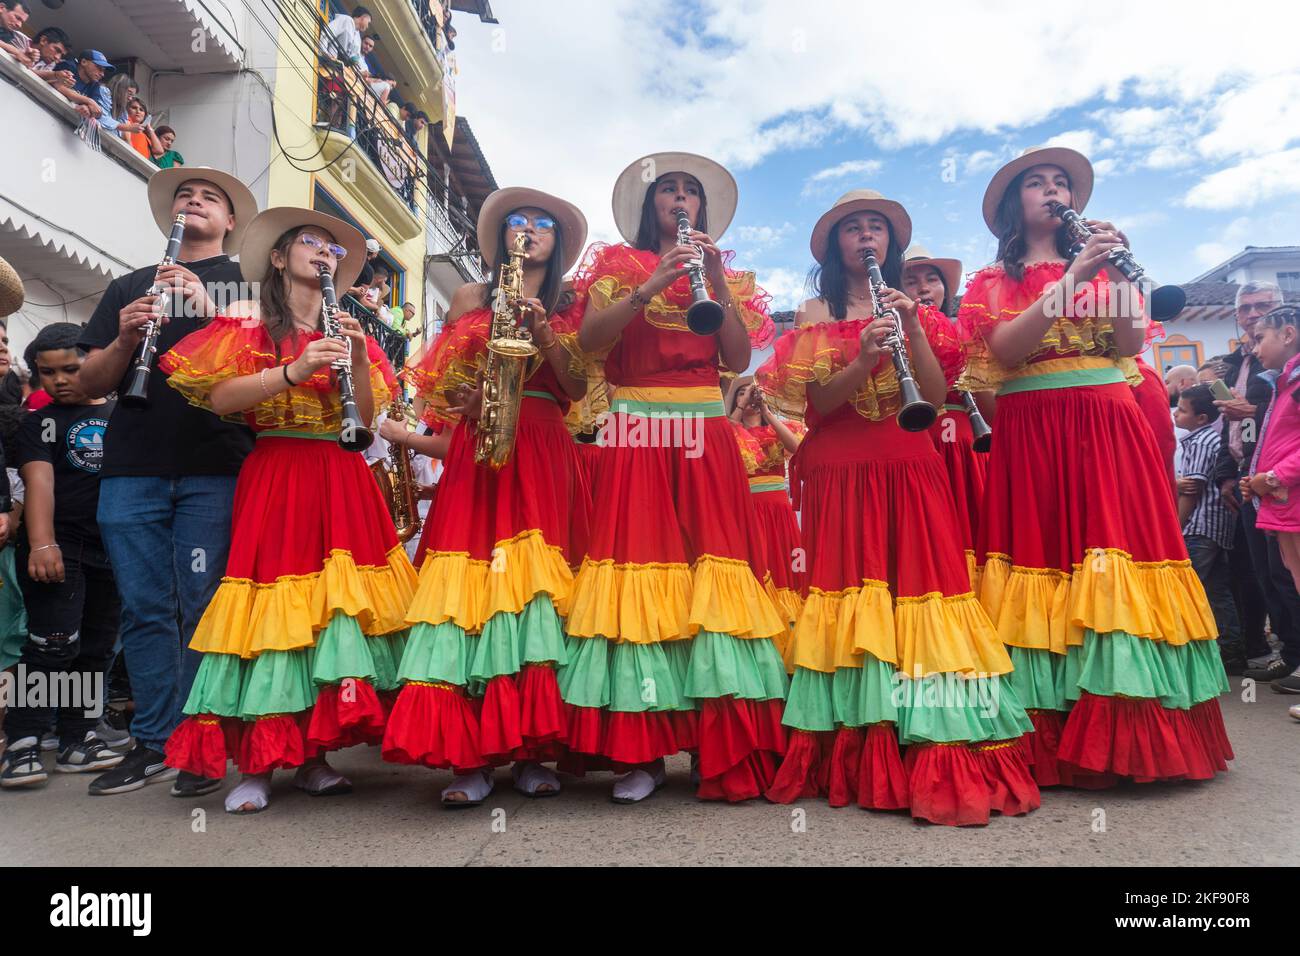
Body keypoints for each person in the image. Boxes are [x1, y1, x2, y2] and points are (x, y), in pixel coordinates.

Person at [760, 190, 1037, 825]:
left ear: (892, 243)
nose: (866, 236)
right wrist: (862, 358)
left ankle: (934, 743)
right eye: (853, 228)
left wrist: (910, 328)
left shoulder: (922, 315)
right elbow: (816, 407)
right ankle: (858, 748)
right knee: (850, 595)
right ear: (836, 245)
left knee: (925, 590)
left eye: (876, 228)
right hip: (839, 467)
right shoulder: (812, 313)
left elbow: (937, 398)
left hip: (911, 464)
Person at [958, 146, 1230, 787]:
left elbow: (1131, 344)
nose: (1052, 191)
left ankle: (1133, 729)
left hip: (1106, 420)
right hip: (1032, 427)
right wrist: (1074, 278)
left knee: (1114, 553)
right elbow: (1005, 349)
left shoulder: (1107, 271)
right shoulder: (990, 283)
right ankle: (1048, 730)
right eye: (1037, 183)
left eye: (1061, 182)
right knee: (1041, 557)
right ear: (1011, 207)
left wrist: (1124, 278)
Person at [159, 206, 417, 814]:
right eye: (311, 242)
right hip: (277, 469)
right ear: (279, 258)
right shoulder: (247, 325)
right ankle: (258, 763)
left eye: (332, 247)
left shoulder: (352, 328)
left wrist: (353, 355)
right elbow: (221, 398)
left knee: (333, 613)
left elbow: (375, 410)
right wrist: (293, 370)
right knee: (271, 614)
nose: (324, 252)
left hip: (342, 473)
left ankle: (312, 758)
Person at [563, 151, 786, 804]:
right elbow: (589, 344)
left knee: (712, 575)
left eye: (691, 190)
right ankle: (643, 750)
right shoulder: (616, 267)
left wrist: (713, 275)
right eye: (669, 189)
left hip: (703, 428)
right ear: (649, 204)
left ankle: (723, 748)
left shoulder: (722, 274)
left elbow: (740, 356)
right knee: (641, 571)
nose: (681, 197)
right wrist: (650, 286)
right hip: (636, 423)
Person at [382, 188, 592, 804]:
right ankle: (466, 758)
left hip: (545, 441)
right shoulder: (471, 298)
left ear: (558, 241)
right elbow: (440, 384)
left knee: (536, 589)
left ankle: (533, 749)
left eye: (542, 222)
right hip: (479, 443)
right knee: (468, 586)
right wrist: (464, 402)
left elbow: (578, 386)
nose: (528, 229)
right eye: (517, 222)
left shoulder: (573, 303)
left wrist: (545, 332)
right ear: (501, 238)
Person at [76, 167, 258, 798]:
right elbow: (90, 382)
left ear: (231, 221)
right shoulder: (130, 285)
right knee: (145, 608)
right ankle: (155, 741)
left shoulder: (251, 284)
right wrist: (126, 336)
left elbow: (267, 365)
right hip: (132, 465)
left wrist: (209, 312)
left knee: (204, 606)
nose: (195, 201)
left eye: (211, 197)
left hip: (216, 461)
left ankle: (202, 745)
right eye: (185, 195)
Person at [0, 323, 121, 788]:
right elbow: (39, 482)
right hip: (58, 545)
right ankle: (23, 741)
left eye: (71, 368)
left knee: (94, 647)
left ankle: (77, 737)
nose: (59, 380)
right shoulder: (38, 423)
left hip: (111, 545)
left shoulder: (122, 413)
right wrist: (43, 542)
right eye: (46, 373)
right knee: (54, 643)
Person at [1218, 282, 1300, 681]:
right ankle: (1288, 653)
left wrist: (1270, 476)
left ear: (1285, 328)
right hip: (1257, 484)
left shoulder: (1290, 380)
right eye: (1246, 309)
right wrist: (1231, 476)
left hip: (1282, 487)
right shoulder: (1244, 368)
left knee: (1290, 576)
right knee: (1270, 573)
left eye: (1262, 309)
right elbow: (1234, 431)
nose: (1252, 317)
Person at [903, 244, 987, 584]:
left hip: (968, 444)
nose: (923, 289)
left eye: (932, 279)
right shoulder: (895, 331)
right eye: (912, 281)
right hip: (918, 440)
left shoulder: (967, 329)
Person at [725, 376, 804, 669]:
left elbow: (796, 447)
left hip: (778, 511)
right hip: (749, 510)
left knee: (787, 571)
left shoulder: (775, 428)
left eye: (752, 393)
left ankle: (792, 649)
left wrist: (768, 412)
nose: (747, 399)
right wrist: (737, 410)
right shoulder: (731, 431)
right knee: (759, 568)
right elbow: (721, 443)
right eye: (741, 394)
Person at [1241, 305, 1300, 693]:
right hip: (1284, 502)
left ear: (1288, 334)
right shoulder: (1284, 384)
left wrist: (1273, 477)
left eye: (1261, 337)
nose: (1255, 347)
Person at [1174, 384, 1243, 673]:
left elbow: (1192, 488)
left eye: (1182, 410)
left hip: (1200, 526)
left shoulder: (1201, 442)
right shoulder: (1205, 438)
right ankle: (1232, 652)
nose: (1176, 415)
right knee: (1216, 590)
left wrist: (1177, 527)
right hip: (1215, 528)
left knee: (1186, 589)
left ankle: (1189, 655)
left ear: (1201, 418)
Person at [0, 1, 33, 67]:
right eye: (17, 18)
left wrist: (23, 56)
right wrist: (16, 52)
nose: (19, 25)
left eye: (22, 22)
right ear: (1, 7)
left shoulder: (8, 35)